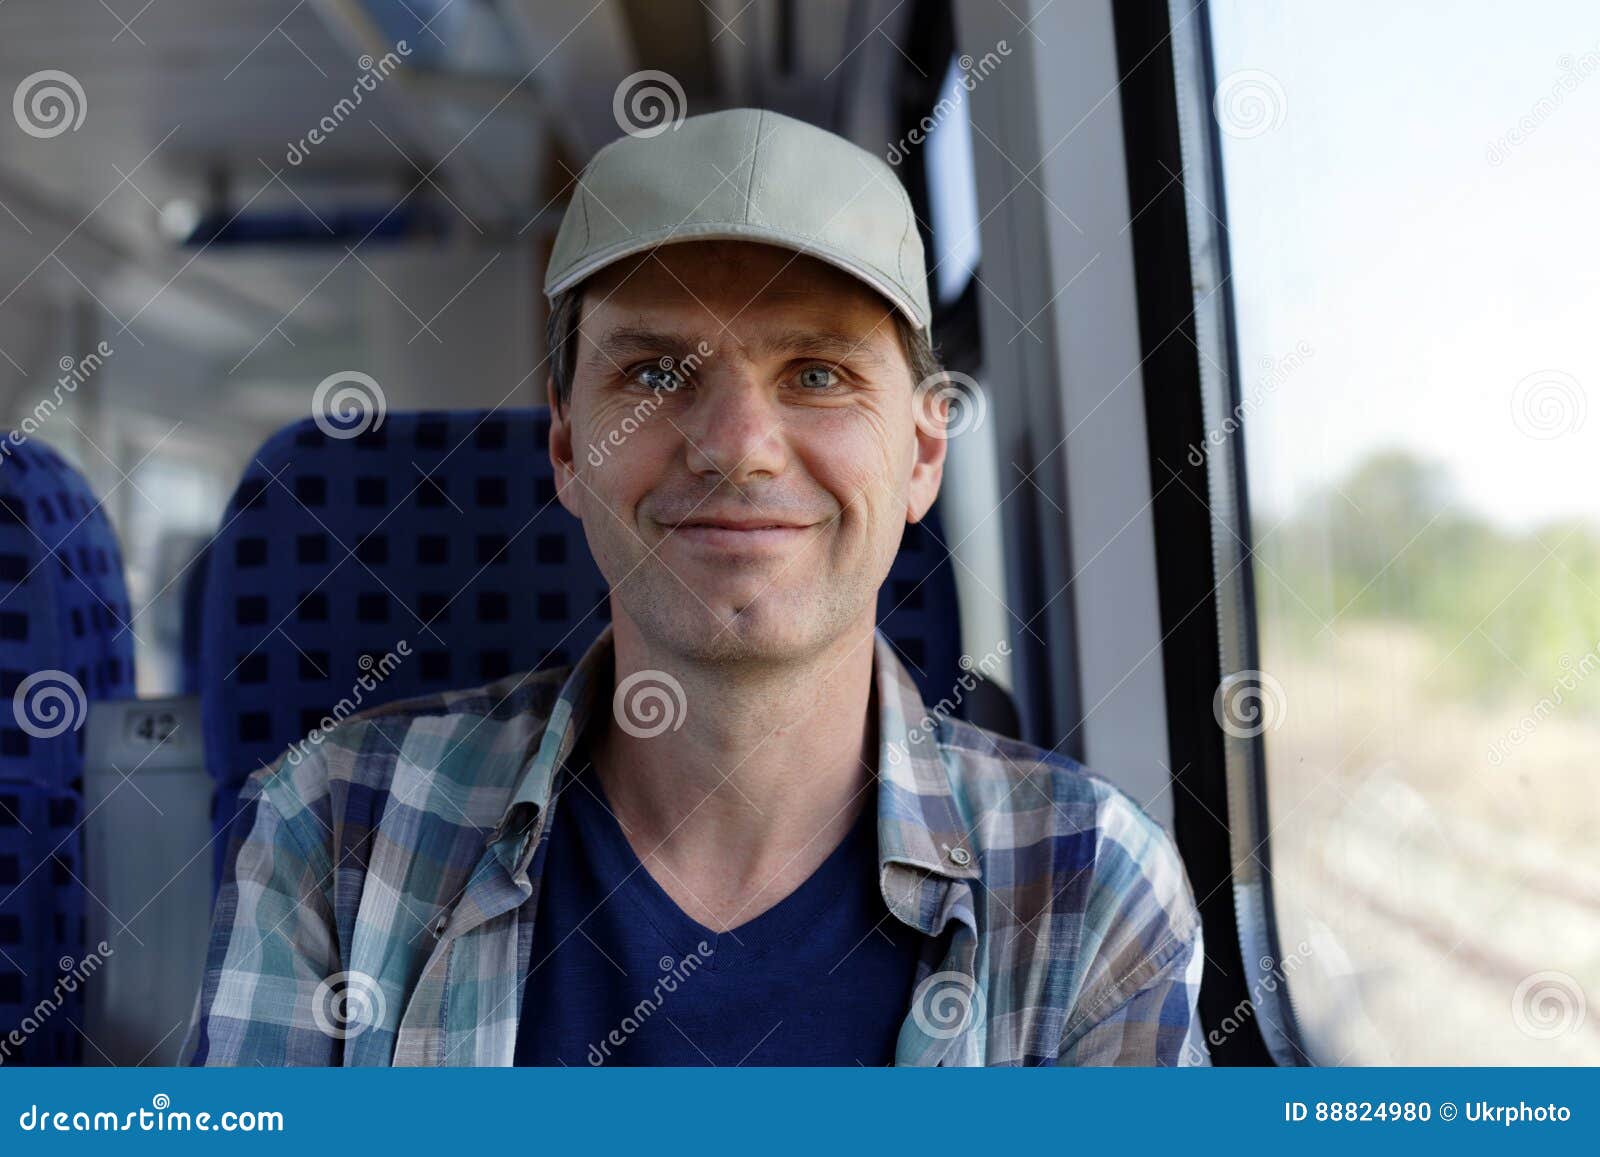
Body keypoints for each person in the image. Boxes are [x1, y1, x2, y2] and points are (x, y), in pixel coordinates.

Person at [188, 107, 1208, 1067]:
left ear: (922, 453)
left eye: (817, 373)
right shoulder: (335, 833)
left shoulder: (1087, 889)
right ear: (568, 445)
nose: (737, 449)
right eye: (657, 373)